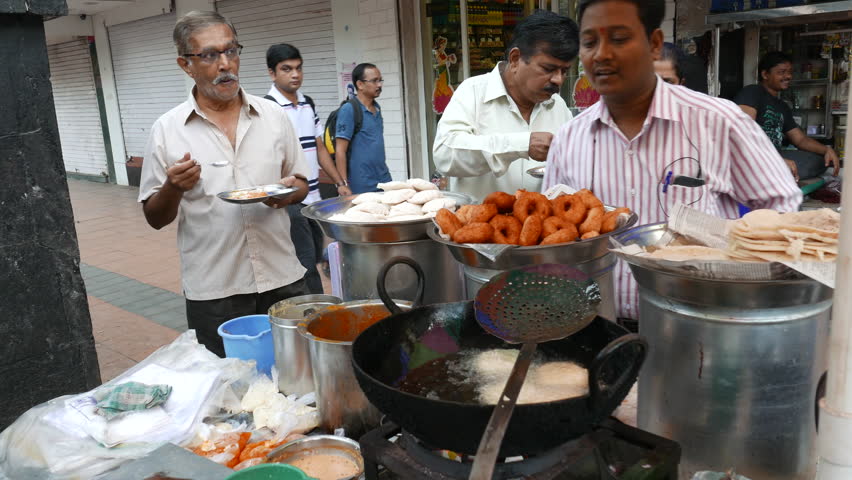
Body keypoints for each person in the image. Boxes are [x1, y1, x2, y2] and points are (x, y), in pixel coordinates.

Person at [543, 0, 801, 324]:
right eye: (590, 42)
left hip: (698, 325)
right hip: (598, 326)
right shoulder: (569, 138)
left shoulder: (717, 121)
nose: (602, 54)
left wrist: (741, 284)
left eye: (619, 39)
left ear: (652, 44)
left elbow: (780, 202)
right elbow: (555, 233)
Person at [138, 11, 310, 356]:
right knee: (229, 392)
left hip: (282, 277)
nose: (225, 64)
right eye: (209, 55)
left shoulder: (273, 116)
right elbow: (155, 217)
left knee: (298, 377)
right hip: (215, 291)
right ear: (185, 64)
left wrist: (288, 193)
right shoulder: (167, 130)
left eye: (231, 51)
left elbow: (302, 182)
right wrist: (173, 188)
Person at [433, 10, 577, 201]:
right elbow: (445, 155)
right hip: (479, 227)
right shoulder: (473, 92)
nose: (558, 80)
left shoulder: (557, 106)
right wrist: (521, 144)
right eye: (548, 69)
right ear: (516, 59)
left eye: (564, 71)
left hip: (543, 227)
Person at [265, 43, 350, 294]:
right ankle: (315, 313)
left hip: (314, 197)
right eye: (286, 69)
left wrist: (339, 183)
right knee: (305, 264)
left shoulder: (307, 103)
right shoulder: (267, 108)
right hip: (290, 199)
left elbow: (320, 146)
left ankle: (313, 309)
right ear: (272, 73)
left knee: (313, 256)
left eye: (298, 68)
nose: (295, 74)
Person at [734, 51, 840, 181]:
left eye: (790, 72)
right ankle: (770, 174)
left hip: (774, 157)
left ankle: (776, 174)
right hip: (753, 156)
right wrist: (775, 160)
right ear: (765, 74)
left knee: (820, 161)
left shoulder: (782, 106)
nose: (788, 76)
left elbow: (800, 140)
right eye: (782, 72)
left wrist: (826, 150)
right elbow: (742, 132)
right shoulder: (752, 92)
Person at [334, 63, 391, 194]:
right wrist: (343, 184)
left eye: (380, 80)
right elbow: (340, 151)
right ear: (360, 84)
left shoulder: (377, 108)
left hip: (384, 180)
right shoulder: (349, 110)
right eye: (374, 81)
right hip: (361, 184)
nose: (379, 85)